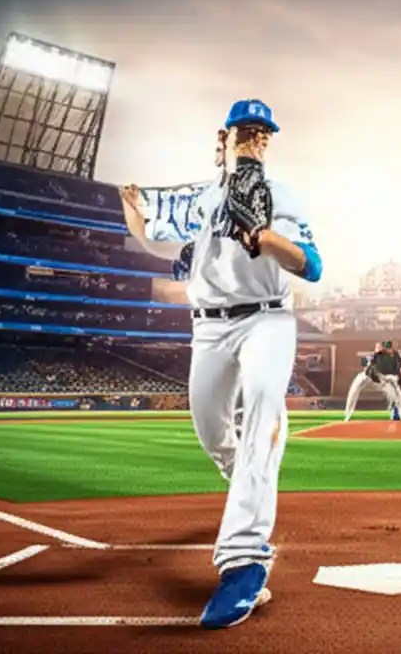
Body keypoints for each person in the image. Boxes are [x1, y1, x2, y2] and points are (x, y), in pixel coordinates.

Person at [119, 99, 323, 629]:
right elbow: (149, 237)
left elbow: (313, 266)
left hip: (267, 321)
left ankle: (243, 560)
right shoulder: (197, 199)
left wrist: (266, 237)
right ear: (224, 138)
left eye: (264, 132)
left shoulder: (282, 196)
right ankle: (252, 479)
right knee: (212, 432)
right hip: (208, 327)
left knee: (261, 410)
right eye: (246, 131)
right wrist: (133, 206)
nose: (256, 138)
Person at [342, 340, 401, 421]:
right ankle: (347, 414)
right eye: (386, 347)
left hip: (384, 379)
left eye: (389, 347)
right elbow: (368, 364)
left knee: (395, 394)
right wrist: (376, 352)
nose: (388, 349)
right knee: (354, 389)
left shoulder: (397, 357)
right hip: (368, 376)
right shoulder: (379, 354)